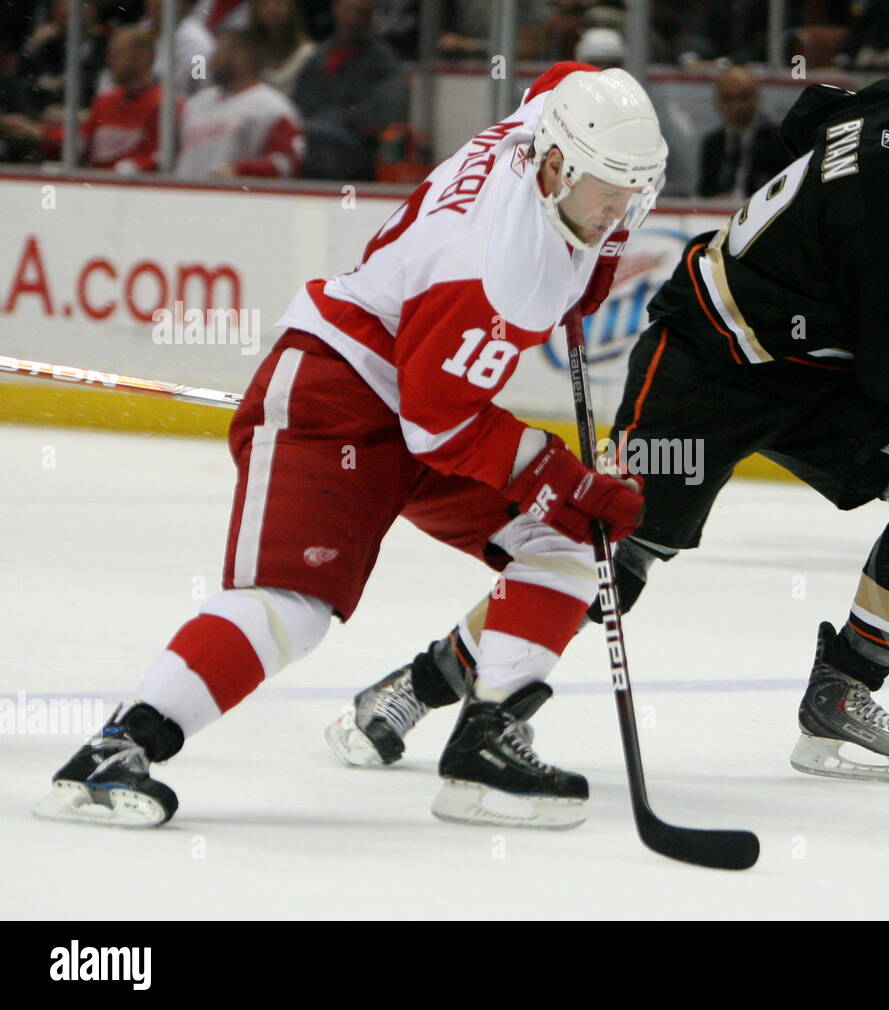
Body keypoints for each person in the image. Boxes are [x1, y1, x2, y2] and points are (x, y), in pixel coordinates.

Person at [332, 58, 889, 786]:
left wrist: (826, 246)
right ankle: (414, 687)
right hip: (708, 367)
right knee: (615, 555)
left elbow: (808, 112)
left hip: (821, 378)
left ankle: (843, 690)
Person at [34, 63, 669, 831]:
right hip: (338, 392)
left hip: (417, 389)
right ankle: (113, 754)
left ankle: (485, 750)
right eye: (609, 190)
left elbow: (559, 78)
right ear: (559, 166)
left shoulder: (545, 129)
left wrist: (596, 257)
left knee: (566, 544)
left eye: (636, 190)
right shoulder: (506, 268)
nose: (622, 209)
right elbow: (442, 422)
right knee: (293, 605)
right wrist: (558, 476)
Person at [0, 25, 161, 172]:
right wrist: (39, 133)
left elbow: (159, 157)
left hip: (134, 193)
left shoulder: (162, 105)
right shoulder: (106, 101)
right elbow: (80, 143)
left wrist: (125, 171)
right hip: (96, 188)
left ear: (143, 57)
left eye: (117, 54)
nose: (109, 61)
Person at [291, 0, 403, 180]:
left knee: (314, 137)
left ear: (371, 18)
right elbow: (298, 103)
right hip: (312, 138)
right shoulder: (319, 56)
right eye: (349, 10)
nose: (353, 19)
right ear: (335, 9)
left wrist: (331, 119)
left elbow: (381, 116)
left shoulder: (383, 62)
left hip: (357, 148)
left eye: (362, 13)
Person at [174, 28, 302, 179]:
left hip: (234, 197)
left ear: (243, 55)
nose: (212, 59)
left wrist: (241, 171)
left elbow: (287, 163)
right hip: (183, 194)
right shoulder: (196, 103)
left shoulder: (272, 108)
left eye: (220, 51)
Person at [696, 66, 791, 200]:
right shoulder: (713, 143)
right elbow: (705, 192)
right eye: (729, 99)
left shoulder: (779, 140)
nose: (737, 106)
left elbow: (787, 192)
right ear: (717, 102)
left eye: (744, 97)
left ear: (757, 98)